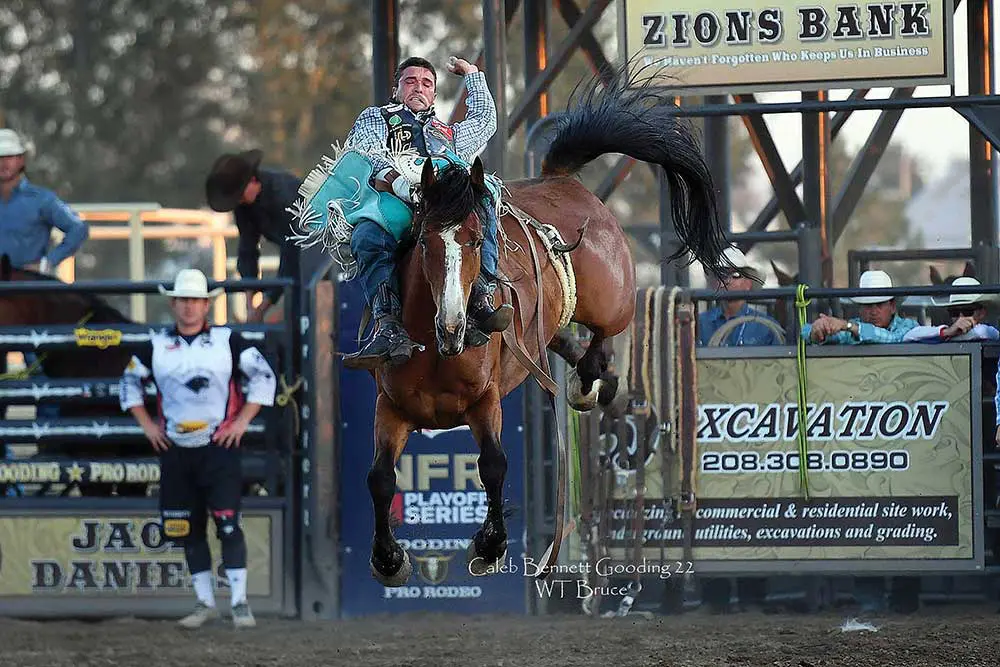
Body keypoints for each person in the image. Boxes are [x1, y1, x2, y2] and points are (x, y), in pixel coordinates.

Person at [118, 268, 277, 629]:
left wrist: (241, 422)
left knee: (228, 525)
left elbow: (264, 375)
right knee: (187, 529)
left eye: (195, 300)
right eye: (183, 300)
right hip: (176, 449)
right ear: (173, 304)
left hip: (218, 446)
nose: (189, 307)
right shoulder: (156, 344)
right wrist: (148, 426)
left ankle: (239, 603)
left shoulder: (228, 340)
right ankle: (205, 603)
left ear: (206, 305)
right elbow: (128, 383)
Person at [338, 54, 513, 369]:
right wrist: (399, 181)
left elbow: (485, 122)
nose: (418, 87)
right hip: (397, 203)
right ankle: (388, 324)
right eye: (410, 81)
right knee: (366, 235)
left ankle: (481, 297)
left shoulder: (447, 133)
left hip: (444, 209)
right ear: (396, 90)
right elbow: (366, 153)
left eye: (426, 83)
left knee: (483, 200)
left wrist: (472, 74)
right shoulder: (377, 118)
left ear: (434, 94)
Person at [205, 149, 301, 323]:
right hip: (298, 255)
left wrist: (265, 305)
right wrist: (250, 304)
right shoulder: (244, 206)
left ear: (253, 181)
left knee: (298, 312)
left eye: (239, 196)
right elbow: (247, 249)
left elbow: (293, 253)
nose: (238, 201)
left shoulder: (283, 196)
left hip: (322, 253)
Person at [0, 128, 89, 273]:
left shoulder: (41, 200)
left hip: (28, 282)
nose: (3, 163)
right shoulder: (41, 199)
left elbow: (78, 228)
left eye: (9, 156)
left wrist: (47, 262)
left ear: (21, 160)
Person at [801, 270, 917, 344]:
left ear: (892, 307)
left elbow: (894, 339)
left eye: (879, 305)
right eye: (868, 305)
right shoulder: (851, 328)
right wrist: (819, 329)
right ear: (860, 309)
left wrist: (848, 326)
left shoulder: (909, 326)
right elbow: (805, 332)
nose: (874, 312)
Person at [698, 246, 785, 346]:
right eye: (722, 274)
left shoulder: (767, 328)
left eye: (736, 275)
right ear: (716, 283)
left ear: (748, 283)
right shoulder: (700, 323)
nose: (728, 280)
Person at [903, 276, 999, 342]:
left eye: (967, 311)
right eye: (954, 312)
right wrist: (947, 332)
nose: (960, 318)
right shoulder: (946, 334)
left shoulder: (989, 332)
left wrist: (947, 337)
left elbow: (981, 332)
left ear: (982, 313)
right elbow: (909, 336)